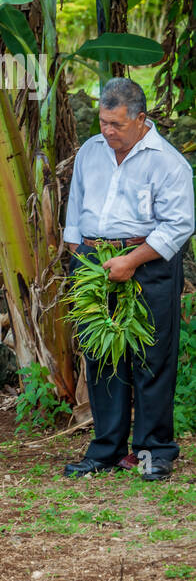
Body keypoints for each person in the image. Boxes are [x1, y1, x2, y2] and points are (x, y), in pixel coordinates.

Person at [62, 79, 194, 482]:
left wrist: (131, 261)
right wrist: (78, 257)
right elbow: (76, 206)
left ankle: (154, 451)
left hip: (148, 263)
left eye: (116, 124)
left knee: (152, 357)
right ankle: (107, 449)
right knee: (101, 356)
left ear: (140, 119)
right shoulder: (91, 151)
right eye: (103, 122)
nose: (107, 131)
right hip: (94, 264)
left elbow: (179, 225)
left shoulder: (168, 162)